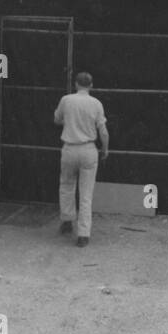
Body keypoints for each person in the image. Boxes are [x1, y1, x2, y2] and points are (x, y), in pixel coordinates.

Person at [53, 71, 108, 247]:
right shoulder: (96, 104)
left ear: (76, 84)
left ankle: (67, 221)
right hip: (88, 149)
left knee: (67, 186)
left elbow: (57, 120)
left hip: (69, 148)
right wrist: (105, 149)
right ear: (91, 85)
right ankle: (83, 234)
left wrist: (70, 122)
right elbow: (103, 131)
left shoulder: (66, 100)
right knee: (86, 194)